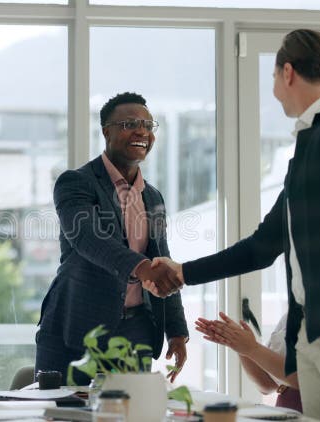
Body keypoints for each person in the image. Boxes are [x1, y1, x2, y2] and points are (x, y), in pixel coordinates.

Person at [144, 29, 320, 422]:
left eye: (274, 78)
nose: (274, 89)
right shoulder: (306, 149)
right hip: (311, 337)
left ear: (287, 72)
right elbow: (262, 246)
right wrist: (183, 272)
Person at [35, 92, 188, 384]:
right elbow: (89, 239)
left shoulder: (152, 196)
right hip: (75, 327)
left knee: (130, 414)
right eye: (130, 123)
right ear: (107, 131)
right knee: (65, 415)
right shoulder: (76, 183)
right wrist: (142, 268)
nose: (142, 131)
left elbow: (162, 259)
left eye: (148, 124)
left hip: (136, 332)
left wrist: (177, 331)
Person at [195, 312, 301, 412]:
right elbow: (267, 384)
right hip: (286, 409)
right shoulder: (291, 315)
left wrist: (252, 348)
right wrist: (239, 346)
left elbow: (302, 378)